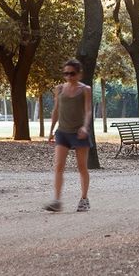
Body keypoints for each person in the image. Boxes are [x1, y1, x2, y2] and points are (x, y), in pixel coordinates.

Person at [45, 59, 93, 212]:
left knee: (82, 167)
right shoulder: (59, 89)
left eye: (72, 73)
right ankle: (57, 201)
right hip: (62, 132)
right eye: (65, 74)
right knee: (58, 166)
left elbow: (88, 111)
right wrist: (51, 131)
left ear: (79, 74)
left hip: (79, 133)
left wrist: (85, 127)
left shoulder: (85, 89)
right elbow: (56, 110)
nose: (68, 77)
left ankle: (84, 199)